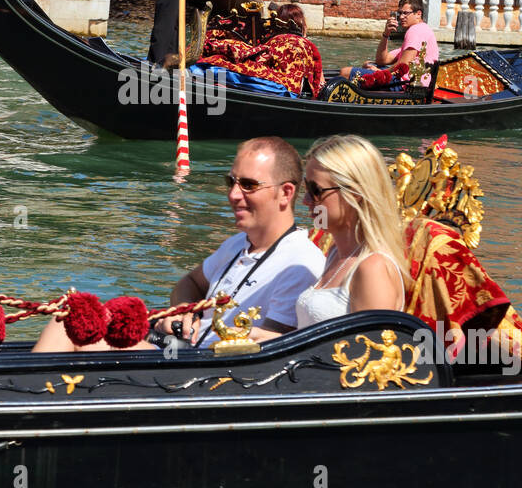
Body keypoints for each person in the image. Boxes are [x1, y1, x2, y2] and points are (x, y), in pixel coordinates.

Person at [33, 136, 325, 352]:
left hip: (199, 373)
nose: (234, 195)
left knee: (70, 327)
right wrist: (185, 311)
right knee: (73, 316)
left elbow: (265, 356)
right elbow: (189, 282)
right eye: (231, 182)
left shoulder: (299, 263)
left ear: (286, 193)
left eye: (248, 185)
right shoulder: (238, 244)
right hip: (178, 352)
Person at [250, 134, 408, 340]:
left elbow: (369, 358)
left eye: (316, 191)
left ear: (355, 193)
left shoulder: (372, 268)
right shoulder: (335, 253)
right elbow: (317, 341)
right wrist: (260, 336)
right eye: (306, 189)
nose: (306, 200)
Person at [194, 3, 324, 97]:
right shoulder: (305, 44)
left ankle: (205, 73)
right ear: (301, 22)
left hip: (259, 65)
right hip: (286, 84)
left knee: (243, 68)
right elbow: (319, 83)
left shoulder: (271, 38)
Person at [340, 0, 439, 84]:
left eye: (405, 13)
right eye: (400, 13)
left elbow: (404, 64)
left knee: (345, 72)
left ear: (418, 14)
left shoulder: (416, 30)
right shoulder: (421, 30)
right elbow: (381, 60)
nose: (401, 17)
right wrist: (386, 34)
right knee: (368, 64)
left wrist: (380, 72)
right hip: (411, 81)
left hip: (406, 84)